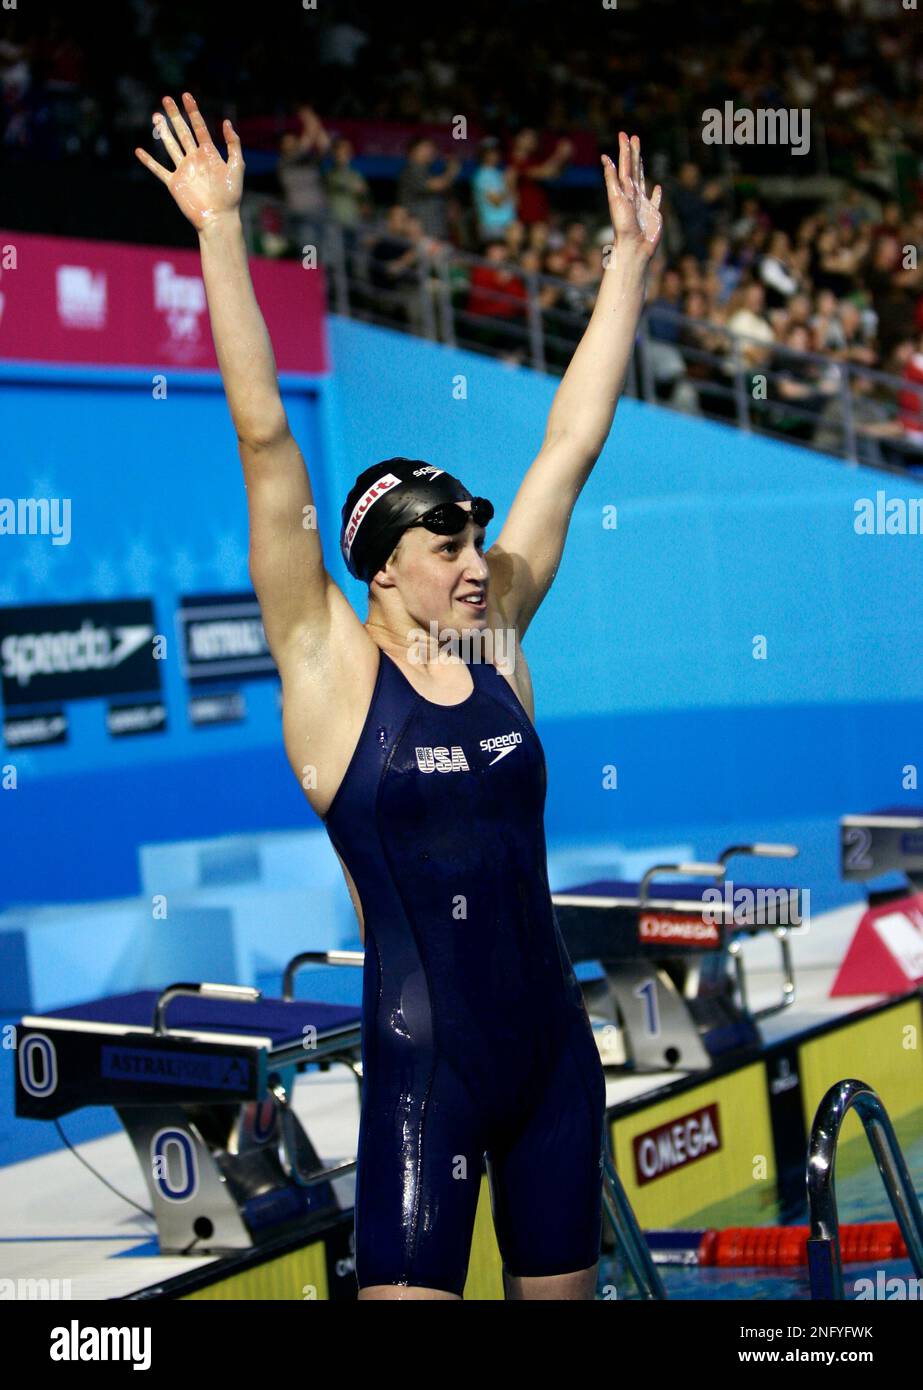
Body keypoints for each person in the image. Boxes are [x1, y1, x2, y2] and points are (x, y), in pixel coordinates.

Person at [136, 97, 663, 1301]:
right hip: (429, 1075)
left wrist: (625, 263)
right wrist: (221, 228)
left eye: (477, 536)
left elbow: (568, 446)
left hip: (554, 1067)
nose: (477, 560)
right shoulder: (327, 665)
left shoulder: (492, 644)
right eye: (447, 544)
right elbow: (266, 437)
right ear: (379, 563)